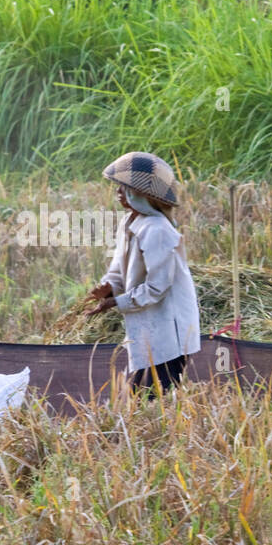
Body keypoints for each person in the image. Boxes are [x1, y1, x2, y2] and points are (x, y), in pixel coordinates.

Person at [86, 151, 200, 395]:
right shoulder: (128, 222)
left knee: (154, 394)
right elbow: (119, 267)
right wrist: (108, 286)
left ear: (143, 195)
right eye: (118, 187)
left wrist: (116, 302)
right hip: (148, 323)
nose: (118, 193)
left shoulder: (158, 230)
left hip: (170, 326)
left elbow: (157, 287)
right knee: (141, 392)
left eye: (124, 188)